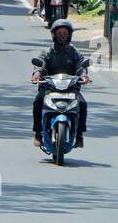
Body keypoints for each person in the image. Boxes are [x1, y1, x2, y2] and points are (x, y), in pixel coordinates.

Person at [31, 19, 90, 148]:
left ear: (69, 35)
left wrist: (84, 76)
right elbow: (40, 66)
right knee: (38, 101)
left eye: (65, 33)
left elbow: (81, 67)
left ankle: (79, 135)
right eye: (59, 32)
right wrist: (36, 75)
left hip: (71, 88)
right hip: (49, 87)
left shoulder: (74, 52)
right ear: (54, 34)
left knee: (83, 104)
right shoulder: (47, 52)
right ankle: (37, 134)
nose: (62, 35)